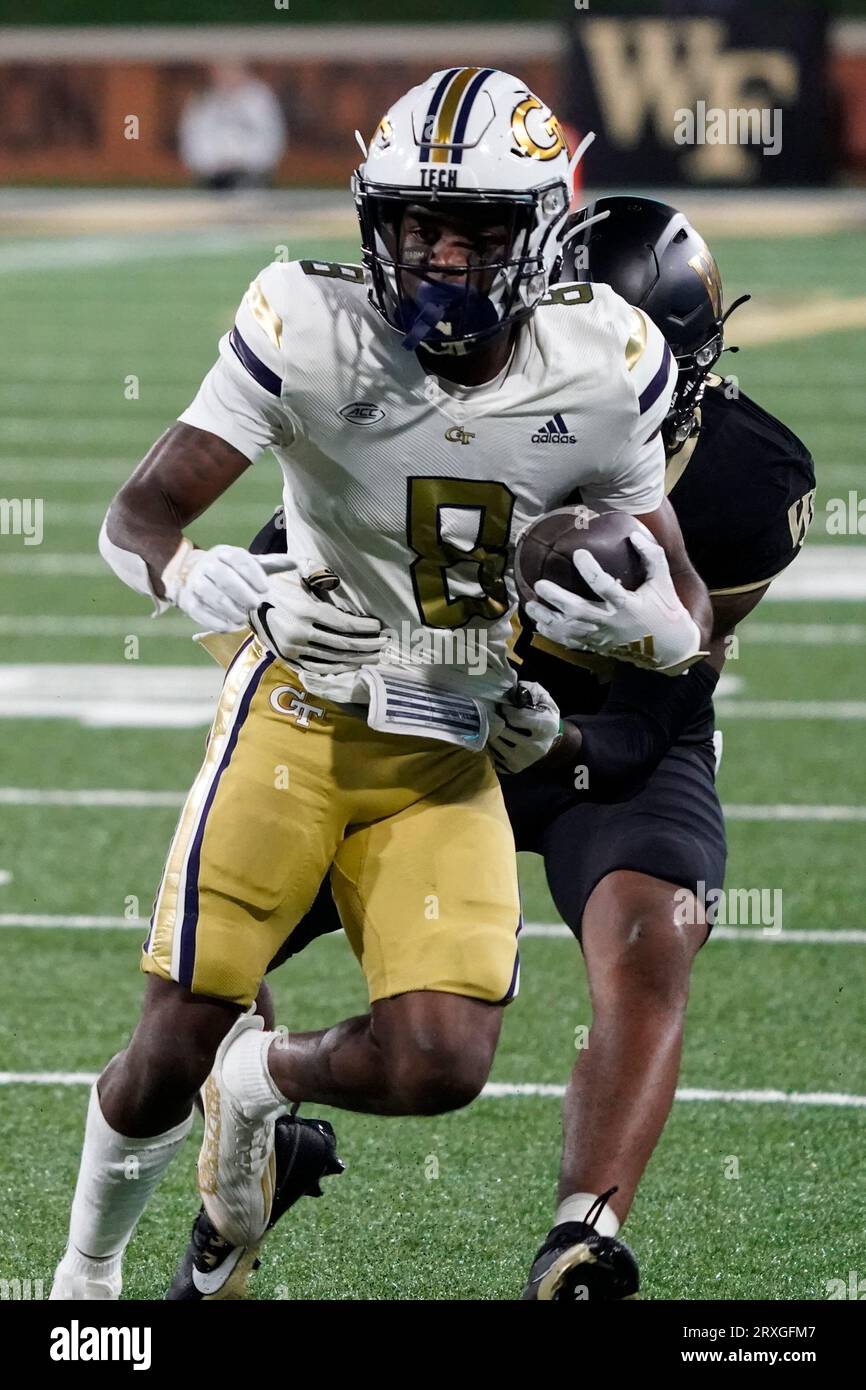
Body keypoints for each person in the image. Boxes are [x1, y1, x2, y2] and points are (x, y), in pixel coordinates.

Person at [49, 75, 709, 1302]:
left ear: (542, 234)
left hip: (449, 743)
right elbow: (136, 520)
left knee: (440, 1060)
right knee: (163, 1046)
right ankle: (83, 1281)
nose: (442, 258)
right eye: (416, 227)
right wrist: (225, 589)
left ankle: (260, 1085)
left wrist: (654, 633)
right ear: (375, 224)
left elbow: (683, 616)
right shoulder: (309, 321)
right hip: (295, 714)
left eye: (475, 232)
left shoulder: (604, 364)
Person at [178, 62, 287, 191]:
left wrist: (242, 163)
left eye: (230, 69)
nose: (225, 74)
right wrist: (215, 164)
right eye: (220, 69)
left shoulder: (260, 98)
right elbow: (193, 140)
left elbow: (271, 139)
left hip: (252, 181)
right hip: (212, 181)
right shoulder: (202, 99)